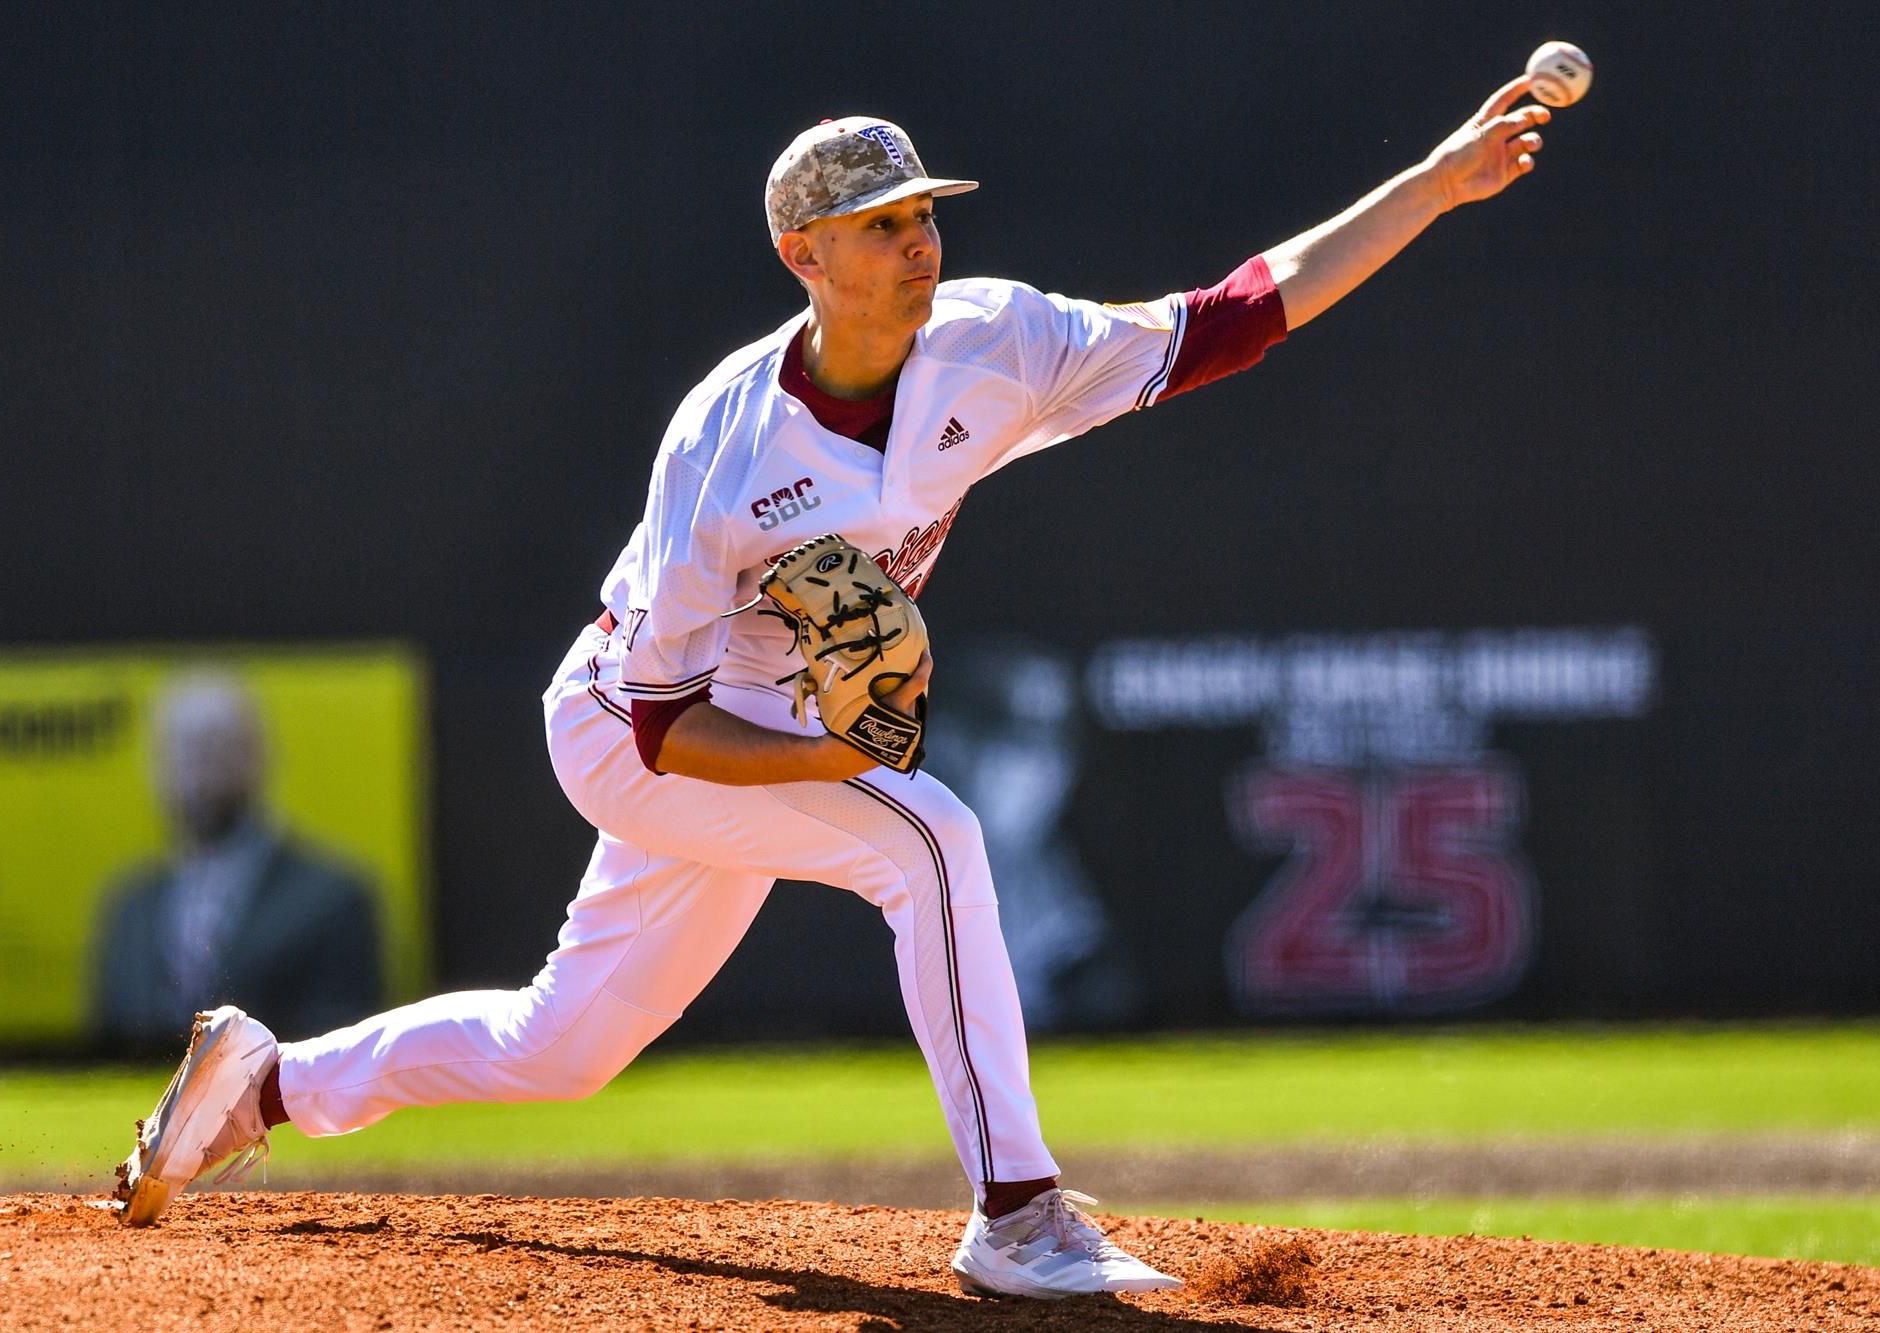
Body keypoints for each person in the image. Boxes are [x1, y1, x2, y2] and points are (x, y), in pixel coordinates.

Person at [116, 79, 1555, 1297]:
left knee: (563, 1045)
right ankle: (1018, 1216)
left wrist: (1432, 185)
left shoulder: (996, 341)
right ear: (803, 253)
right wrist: (834, 758)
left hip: (768, 725)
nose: (919, 241)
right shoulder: (725, 449)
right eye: (882, 224)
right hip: (633, 730)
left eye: (924, 213)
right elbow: (662, 723)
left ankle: (264, 1082)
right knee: (933, 839)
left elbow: (1231, 316)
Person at [92, 673, 382, 1050]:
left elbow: (344, 1051)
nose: (200, 771)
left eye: (217, 746)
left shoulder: (333, 902)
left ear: (259, 755)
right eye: (181, 749)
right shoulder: (130, 909)